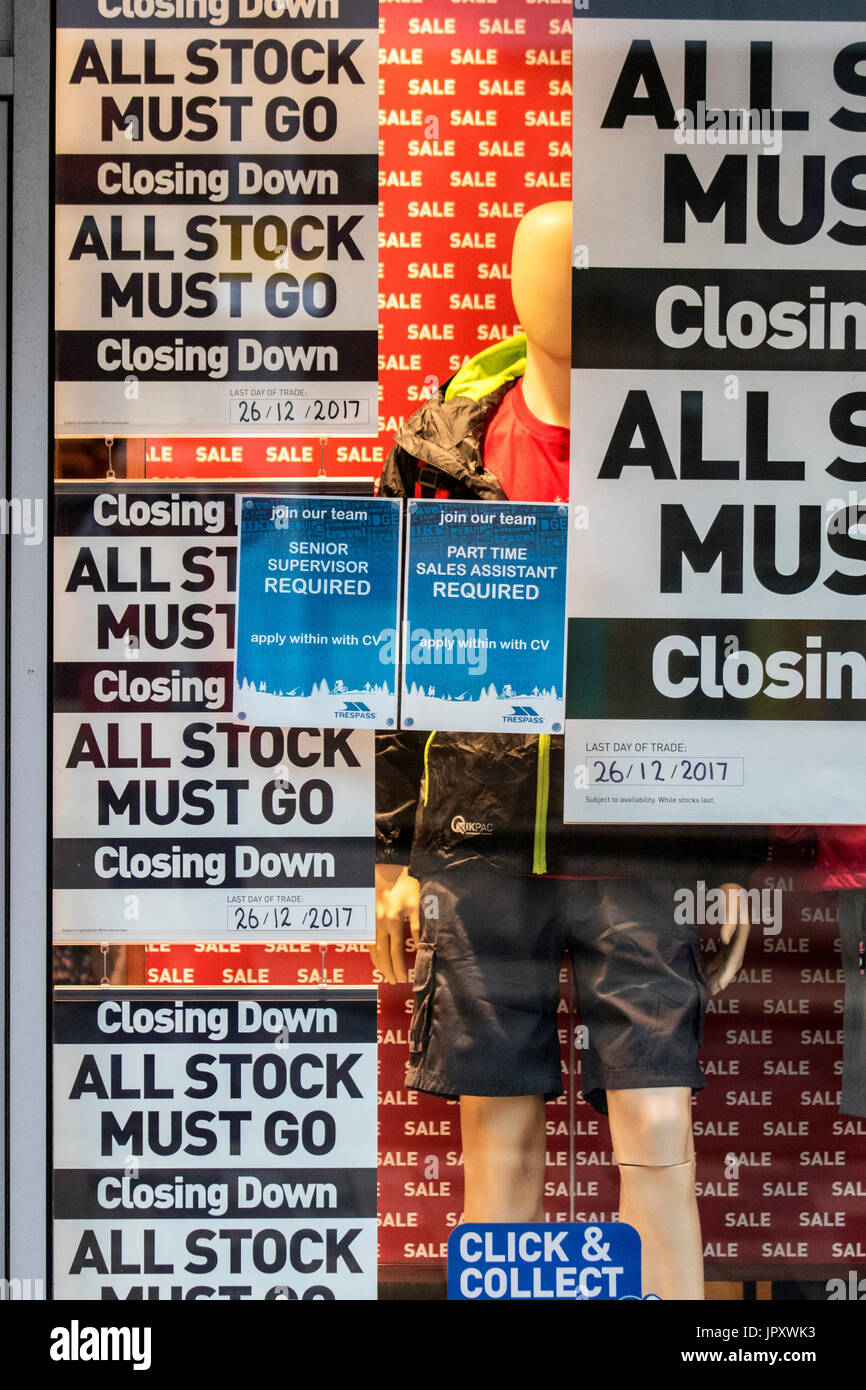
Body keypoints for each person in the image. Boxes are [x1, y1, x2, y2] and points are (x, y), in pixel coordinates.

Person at [373, 202, 765, 1299]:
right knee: (495, 1147)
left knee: (656, 1129)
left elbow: (719, 649)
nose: (560, 294)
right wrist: (389, 855)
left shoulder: (678, 440)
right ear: (510, 284)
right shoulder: (436, 449)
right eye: (540, 271)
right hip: (477, 833)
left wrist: (724, 854)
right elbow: (392, 662)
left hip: (638, 834)